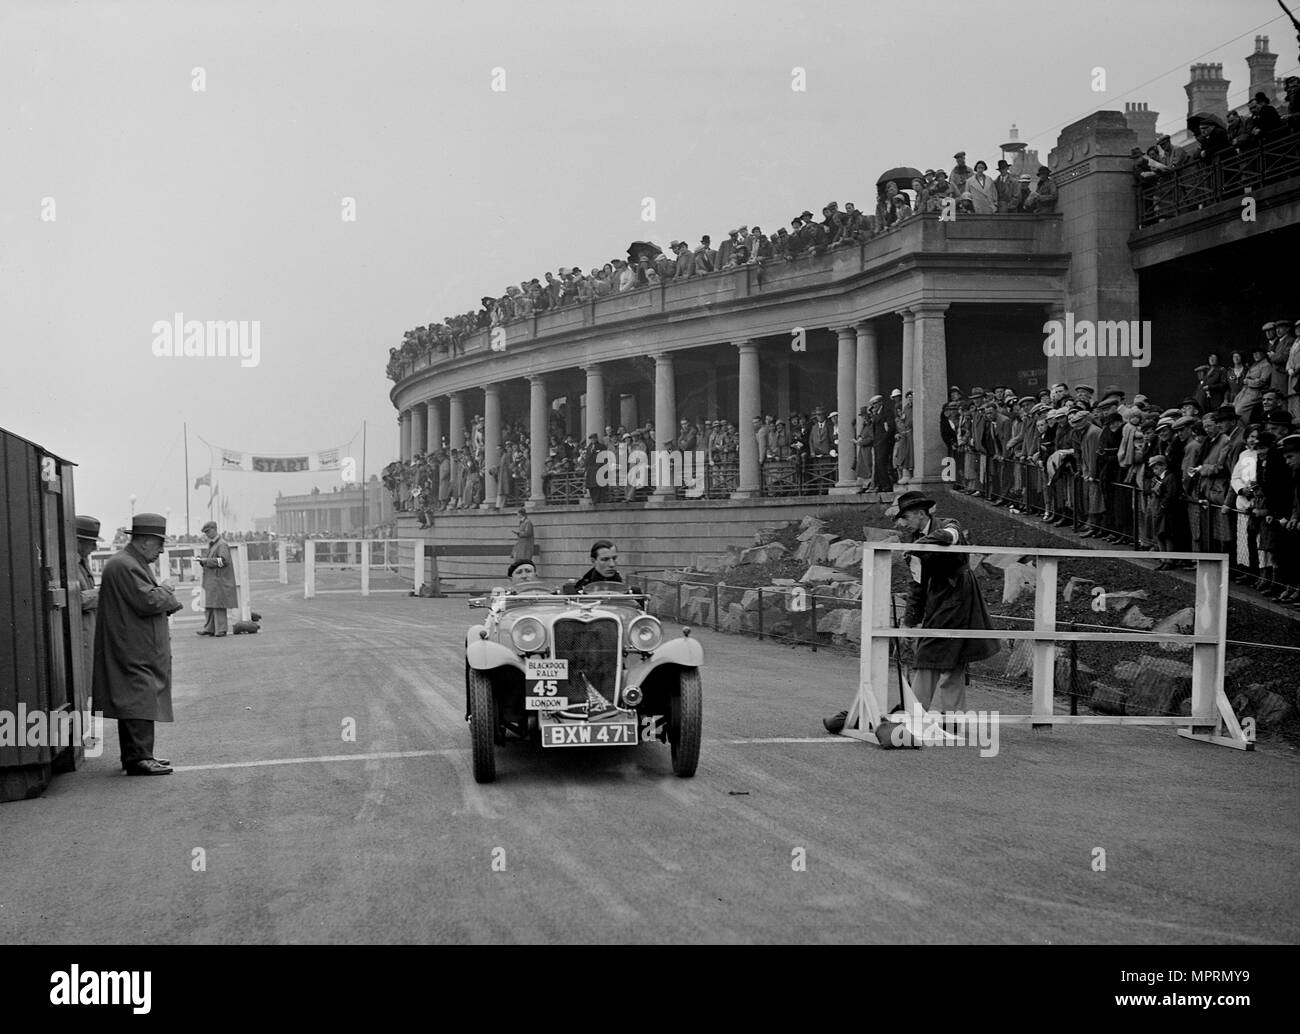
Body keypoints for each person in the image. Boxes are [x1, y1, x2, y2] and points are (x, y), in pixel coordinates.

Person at [92, 512, 183, 776]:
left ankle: (139, 755)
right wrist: (167, 589)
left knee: (136, 698)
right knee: (139, 697)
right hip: (132, 645)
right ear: (144, 541)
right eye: (159, 544)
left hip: (132, 642)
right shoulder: (126, 565)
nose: (162, 550)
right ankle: (139, 757)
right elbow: (148, 601)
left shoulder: (127, 562)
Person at [893, 492, 999, 712]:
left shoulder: (949, 524)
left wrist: (917, 546)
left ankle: (917, 711)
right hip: (939, 597)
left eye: (907, 517)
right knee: (951, 656)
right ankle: (952, 714)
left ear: (921, 514)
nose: (904, 523)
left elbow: (950, 535)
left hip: (960, 595)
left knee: (930, 653)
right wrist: (910, 623)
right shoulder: (913, 543)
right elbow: (917, 585)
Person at [74, 516, 102, 700]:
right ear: (77, 541)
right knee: (80, 692)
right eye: (91, 542)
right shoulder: (70, 565)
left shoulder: (81, 562)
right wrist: (104, 592)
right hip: (79, 638)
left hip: (87, 634)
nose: (95, 547)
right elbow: (75, 599)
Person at [196, 520, 238, 637]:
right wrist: (203, 561)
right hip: (212, 580)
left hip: (218, 580)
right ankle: (209, 628)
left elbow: (223, 561)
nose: (207, 534)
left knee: (218, 604)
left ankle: (221, 629)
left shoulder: (221, 544)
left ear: (214, 529)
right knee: (209, 605)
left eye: (208, 532)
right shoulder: (214, 544)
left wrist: (206, 561)